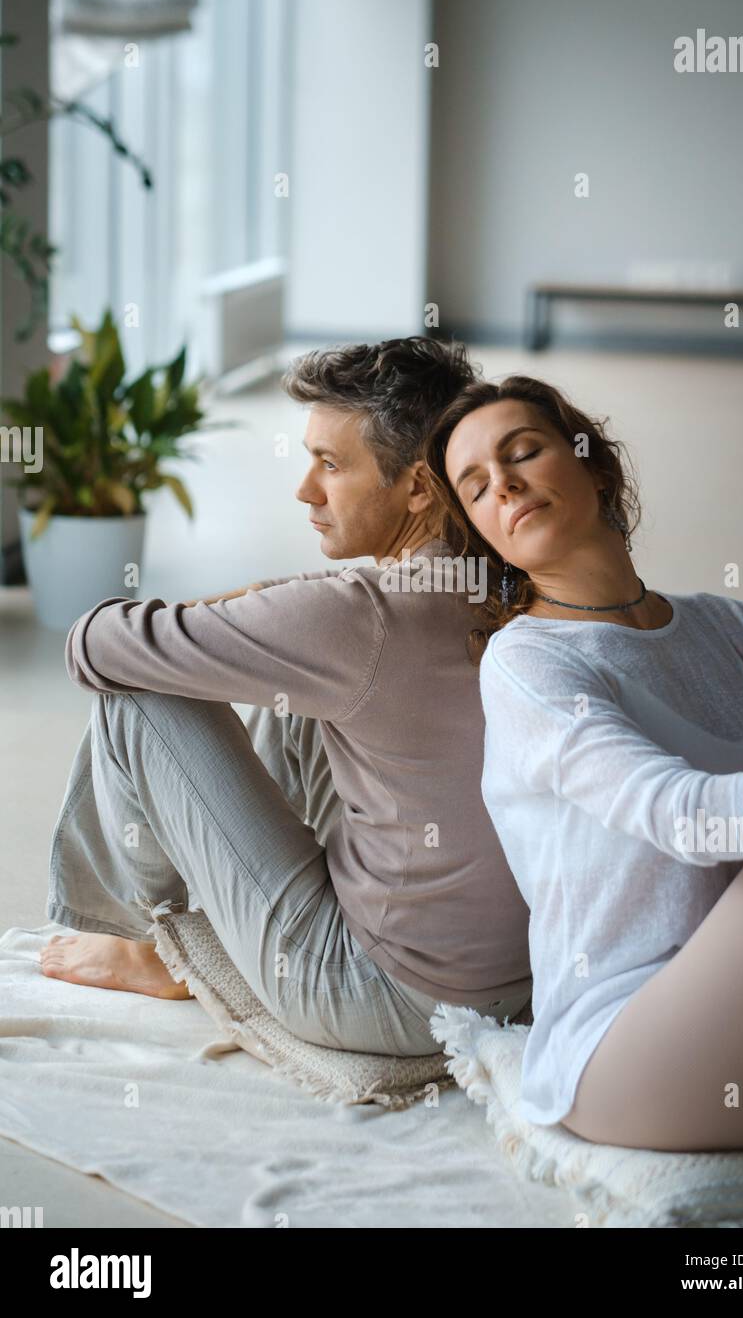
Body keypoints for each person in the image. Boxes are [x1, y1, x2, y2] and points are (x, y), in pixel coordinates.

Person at [40, 337, 533, 1057]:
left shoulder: (359, 616)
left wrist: (241, 606)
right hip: (510, 981)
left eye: (330, 465)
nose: (305, 490)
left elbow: (92, 645)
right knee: (297, 695)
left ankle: (156, 942)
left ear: (421, 486)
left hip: (384, 999)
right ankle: (211, 922)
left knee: (141, 694)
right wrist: (270, 606)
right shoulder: (508, 573)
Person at [422, 372, 743, 1151]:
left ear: (594, 464)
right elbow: (685, 816)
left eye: (523, 452)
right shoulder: (526, 662)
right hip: (639, 1056)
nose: (506, 486)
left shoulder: (729, 625)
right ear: (481, 530)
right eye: (477, 487)